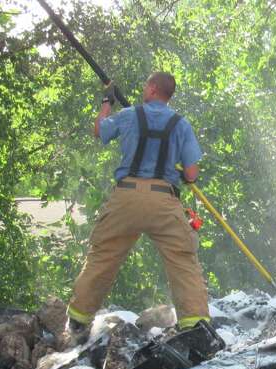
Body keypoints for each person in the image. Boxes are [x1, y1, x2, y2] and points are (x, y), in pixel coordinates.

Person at [66, 71, 210, 338]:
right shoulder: (181, 124)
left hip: (126, 198)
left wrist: (107, 102)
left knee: (103, 255)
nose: (144, 89)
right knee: (183, 260)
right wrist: (178, 171)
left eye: (146, 85)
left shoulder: (129, 114)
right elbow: (191, 174)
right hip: (163, 201)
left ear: (153, 88)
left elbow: (99, 130)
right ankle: (196, 325)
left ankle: (78, 320)